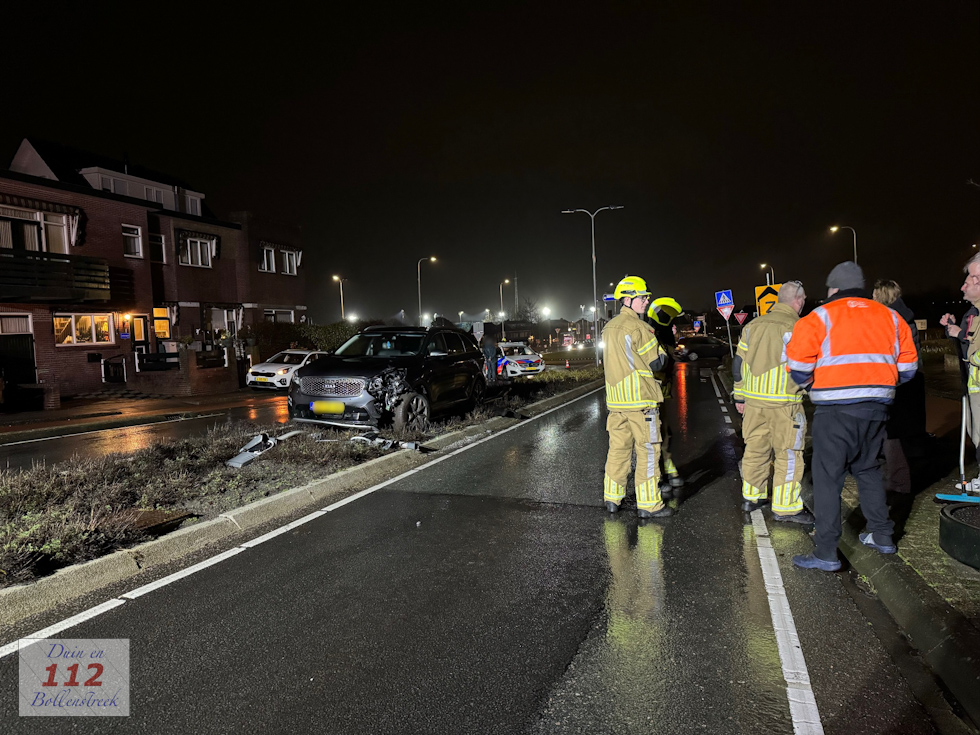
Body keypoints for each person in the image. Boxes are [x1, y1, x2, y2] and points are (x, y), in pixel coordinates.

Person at [787, 262, 918, 571]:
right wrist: (879, 387)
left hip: (835, 411)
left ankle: (825, 551)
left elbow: (798, 367)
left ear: (833, 288)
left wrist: (817, 386)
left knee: (827, 477)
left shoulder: (819, 317)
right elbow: (908, 369)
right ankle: (882, 534)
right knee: (868, 468)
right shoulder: (891, 317)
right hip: (876, 409)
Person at [732, 280, 813, 523]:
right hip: (784, 404)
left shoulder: (752, 326)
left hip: (754, 404)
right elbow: (807, 366)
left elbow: (738, 364)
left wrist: (739, 396)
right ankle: (785, 507)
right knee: (788, 453)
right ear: (798, 300)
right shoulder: (798, 327)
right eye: (803, 300)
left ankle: (752, 497)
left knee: (755, 450)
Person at [602, 276, 672, 518]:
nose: (646, 301)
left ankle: (612, 499)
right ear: (628, 299)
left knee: (618, 451)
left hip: (616, 403)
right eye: (643, 297)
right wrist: (663, 348)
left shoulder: (608, 328)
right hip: (641, 403)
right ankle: (649, 505)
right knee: (648, 452)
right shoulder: (640, 327)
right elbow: (657, 363)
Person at [872, 279, 925, 494]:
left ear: (881, 296)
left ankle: (899, 484)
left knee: (892, 434)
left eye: (874, 294)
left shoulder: (890, 320)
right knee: (899, 434)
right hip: (909, 381)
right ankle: (899, 480)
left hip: (896, 383)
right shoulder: (905, 316)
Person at [940, 253, 980, 492]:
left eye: (971, 278)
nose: (965, 285)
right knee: (976, 434)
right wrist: (953, 331)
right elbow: (967, 341)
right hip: (973, 386)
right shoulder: (973, 314)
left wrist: (960, 336)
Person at [646, 297, 685, 497]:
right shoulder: (649, 336)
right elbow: (656, 364)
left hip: (662, 392)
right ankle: (656, 477)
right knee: (653, 435)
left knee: (665, 432)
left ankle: (667, 467)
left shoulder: (664, 337)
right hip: (650, 394)